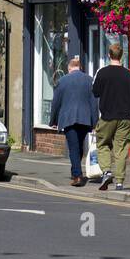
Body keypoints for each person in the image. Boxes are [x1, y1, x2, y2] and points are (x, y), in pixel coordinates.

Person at [91, 41, 130, 191]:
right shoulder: (129, 75)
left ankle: (106, 171)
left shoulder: (102, 73)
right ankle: (119, 181)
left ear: (109, 55)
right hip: (125, 117)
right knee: (121, 150)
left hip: (107, 116)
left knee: (103, 144)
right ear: (122, 56)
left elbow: (95, 92)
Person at [49, 56, 99, 186]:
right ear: (80, 68)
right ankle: (75, 171)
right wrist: (95, 122)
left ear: (69, 68)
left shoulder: (62, 81)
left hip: (68, 118)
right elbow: (94, 103)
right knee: (79, 145)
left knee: (73, 147)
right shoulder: (89, 80)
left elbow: (56, 103)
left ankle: (77, 176)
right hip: (84, 118)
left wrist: (53, 120)